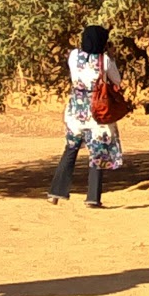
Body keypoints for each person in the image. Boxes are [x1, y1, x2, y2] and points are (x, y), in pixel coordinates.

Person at [47, 24, 124, 207]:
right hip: (97, 110)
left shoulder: (74, 56)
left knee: (70, 149)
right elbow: (117, 80)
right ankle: (92, 198)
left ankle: (55, 193)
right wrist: (112, 59)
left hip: (75, 109)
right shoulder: (103, 60)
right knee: (97, 152)